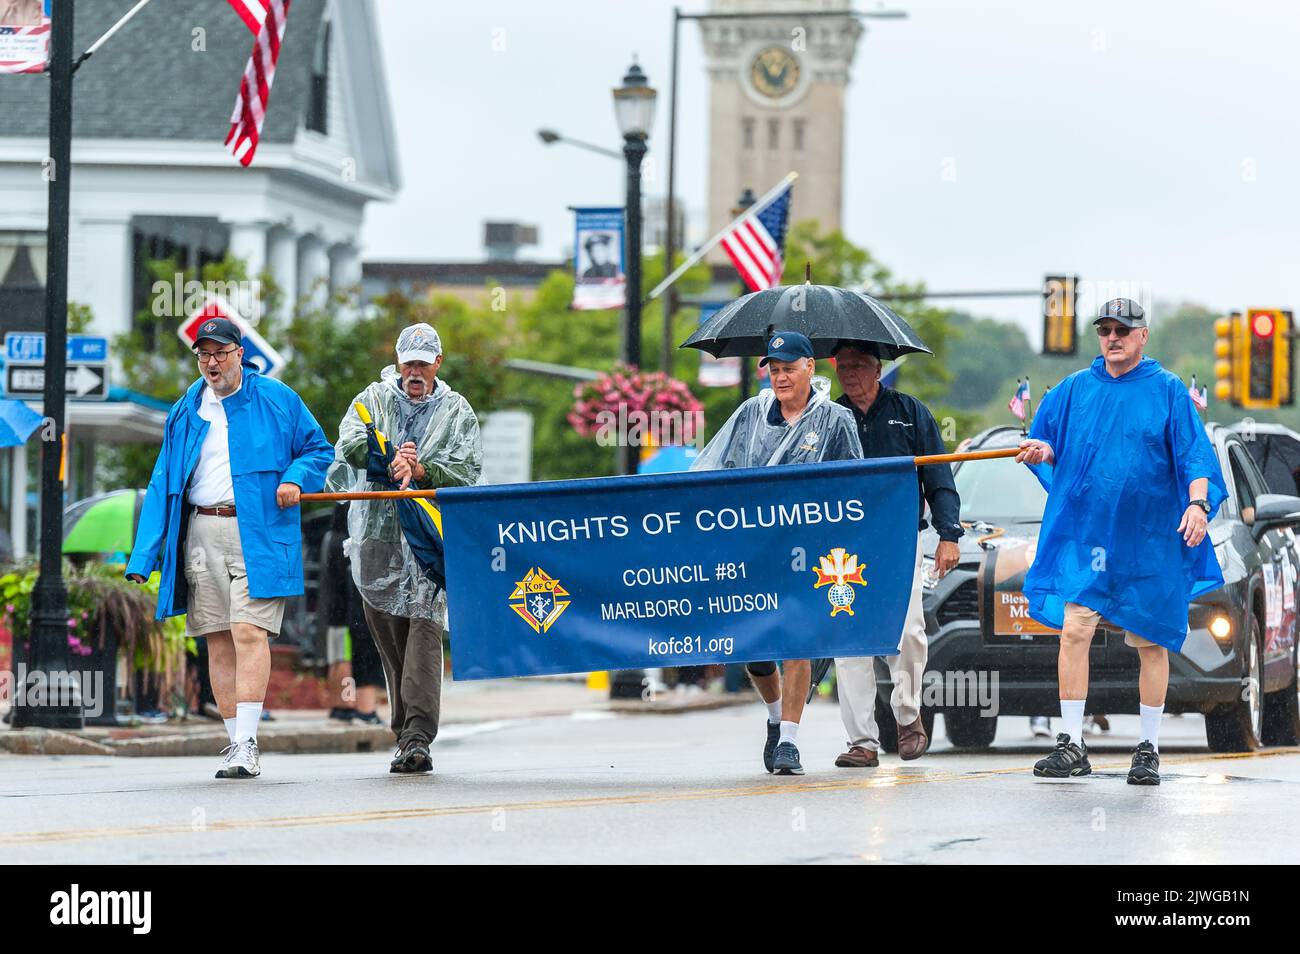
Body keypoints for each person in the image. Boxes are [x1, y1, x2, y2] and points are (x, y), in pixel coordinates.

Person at [1016, 299, 1227, 785]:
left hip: (1149, 542)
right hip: (1086, 538)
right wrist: (1041, 449)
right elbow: (1047, 442)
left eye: (1123, 330)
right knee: (1074, 630)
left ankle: (1148, 748)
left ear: (1142, 336)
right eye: (1105, 330)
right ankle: (1071, 742)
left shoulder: (1169, 390)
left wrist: (1197, 505)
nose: (1113, 337)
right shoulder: (1073, 390)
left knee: (1150, 641)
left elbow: (1196, 460)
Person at [127, 317, 333, 779]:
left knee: (248, 631)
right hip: (200, 531)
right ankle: (234, 741)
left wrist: (295, 477)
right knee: (217, 639)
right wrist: (145, 556)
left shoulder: (278, 399)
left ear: (240, 354)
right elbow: (163, 483)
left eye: (220, 353)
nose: (211, 362)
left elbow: (319, 449)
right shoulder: (185, 410)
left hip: (257, 531)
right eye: (203, 354)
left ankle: (247, 743)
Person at [691, 331, 862, 775]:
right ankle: (773, 717)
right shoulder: (750, 412)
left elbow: (856, 486)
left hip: (809, 550)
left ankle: (789, 741)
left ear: (811, 367)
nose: (781, 377)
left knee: (797, 641)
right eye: (775, 369)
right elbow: (712, 467)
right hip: (752, 549)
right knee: (756, 650)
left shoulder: (835, 421)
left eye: (790, 368)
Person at [331, 323, 482, 774]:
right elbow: (350, 442)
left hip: (430, 538)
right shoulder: (372, 400)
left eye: (423, 362)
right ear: (398, 362)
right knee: (389, 636)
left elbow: (469, 468)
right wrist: (390, 457)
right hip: (376, 535)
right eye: (409, 362)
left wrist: (423, 471)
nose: (415, 371)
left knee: (424, 631)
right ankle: (405, 730)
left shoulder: (458, 412)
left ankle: (417, 735)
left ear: (438, 363)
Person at [830, 342, 962, 766]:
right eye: (842, 367)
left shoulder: (909, 412)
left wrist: (949, 534)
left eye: (858, 367)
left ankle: (908, 717)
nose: (849, 375)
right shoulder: (830, 419)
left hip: (898, 541)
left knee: (906, 632)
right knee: (850, 642)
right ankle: (862, 742)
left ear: (878, 369)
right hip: (843, 550)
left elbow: (938, 475)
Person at [319, 504, 385, 725]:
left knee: (339, 630)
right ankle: (365, 709)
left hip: (336, 540)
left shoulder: (338, 473)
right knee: (362, 629)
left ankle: (343, 704)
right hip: (356, 542)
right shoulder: (364, 474)